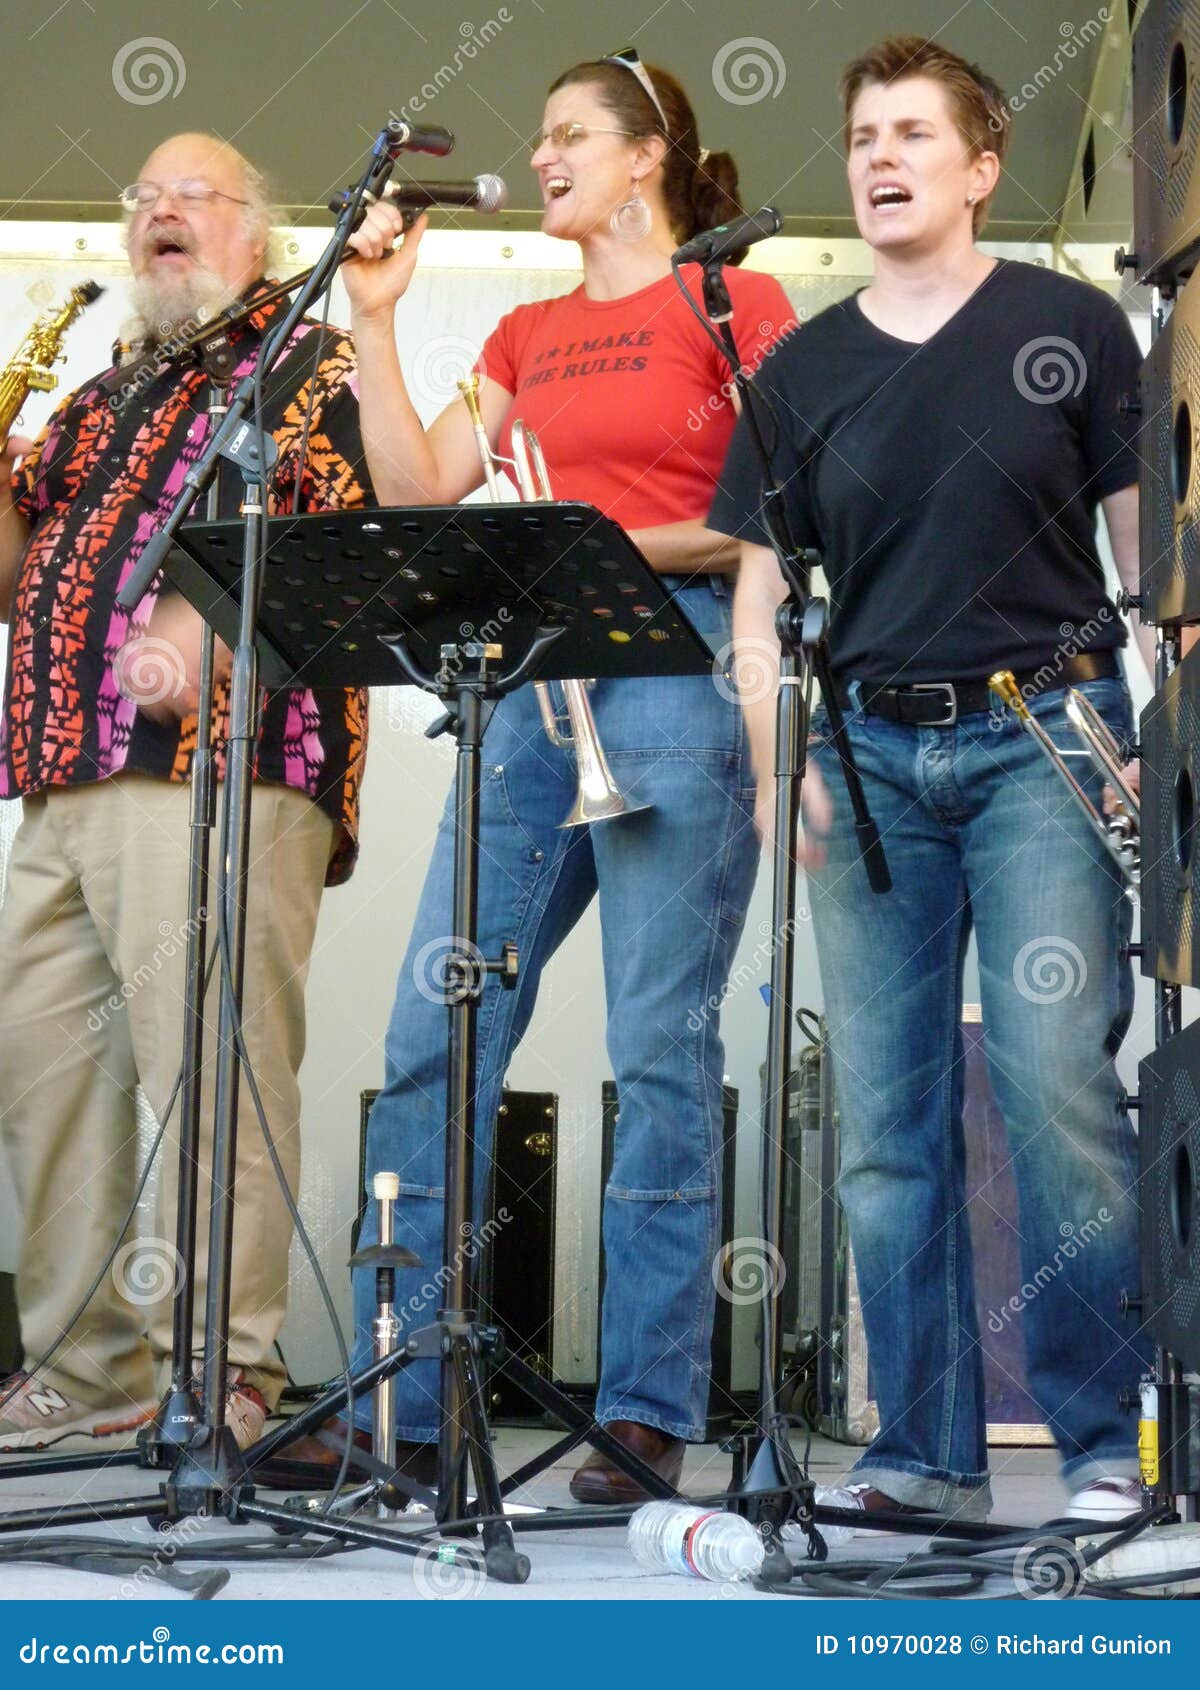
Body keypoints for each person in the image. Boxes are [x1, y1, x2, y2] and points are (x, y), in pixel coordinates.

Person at [270, 50, 796, 1501]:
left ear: (649, 156)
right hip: (530, 678)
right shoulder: (521, 326)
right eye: (543, 138)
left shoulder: (733, 302)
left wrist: (599, 545)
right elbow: (422, 491)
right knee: (436, 1032)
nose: (545, 155)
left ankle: (640, 1404)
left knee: (658, 1044)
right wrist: (375, 325)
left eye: (573, 136)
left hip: (678, 664)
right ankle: (409, 1397)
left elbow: (763, 521)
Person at [710, 36, 1150, 1527]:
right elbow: (761, 610)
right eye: (860, 136)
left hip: (1043, 738)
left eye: (911, 132)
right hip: (866, 760)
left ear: (980, 165)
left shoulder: (1073, 326)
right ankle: (921, 1448)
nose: (879, 155)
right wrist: (777, 764)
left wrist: (1177, 718)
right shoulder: (799, 367)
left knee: (1055, 1091)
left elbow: (1152, 556)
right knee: (887, 1129)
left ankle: (1104, 1446)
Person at [0, 132, 372, 1452]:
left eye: (191, 197)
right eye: (141, 198)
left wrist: (202, 631)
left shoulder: (309, 360)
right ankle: (83, 1369)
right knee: (49, 1082)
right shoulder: (99, 394)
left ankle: (221, 1369)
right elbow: (13, 572)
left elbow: (339, 529)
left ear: (255, 239)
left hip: (220, 764)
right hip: (60, 769)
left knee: (211, 1077)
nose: (160, 212)